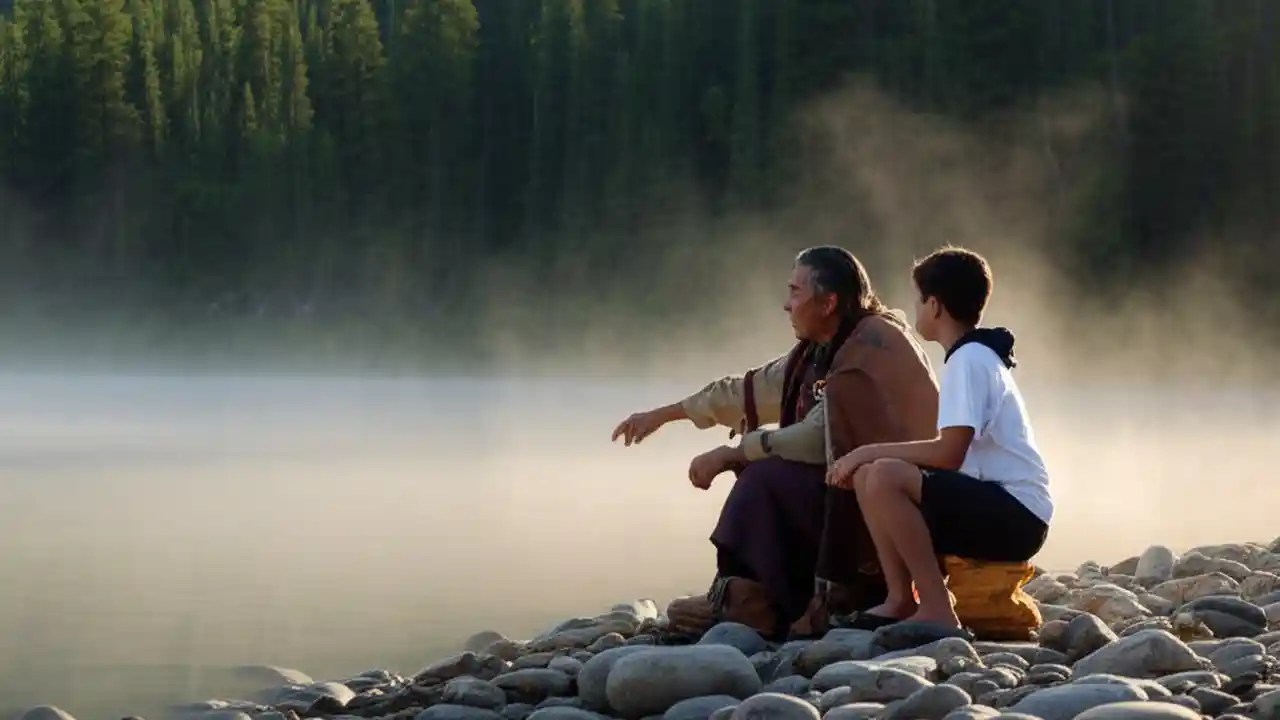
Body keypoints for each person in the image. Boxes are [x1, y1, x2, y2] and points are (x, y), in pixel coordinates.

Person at [612, 246, 939, 639]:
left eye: (795, 292)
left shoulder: (870, 347)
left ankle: (792, 601)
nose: (787, 306)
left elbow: (818, 438)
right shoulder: (825, 346)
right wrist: (663, 415)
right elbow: (749, 389)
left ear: (828, 302)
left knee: (765, 478)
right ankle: (756, 595)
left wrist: (734, 452)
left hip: (892, 510)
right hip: (858, 493)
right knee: (769, 472)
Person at [826, 246, 1052, 631]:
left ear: (934, 305)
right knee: (870, 477)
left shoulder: (969, 361)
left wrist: (865, 451)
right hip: (996, 503)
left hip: (1018, 514)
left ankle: (936, 608)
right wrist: (868, 461)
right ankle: (900, 599)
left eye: (918, 300)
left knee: (880, 473)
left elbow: (948, 454)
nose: (915, 309)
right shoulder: (971, 357)